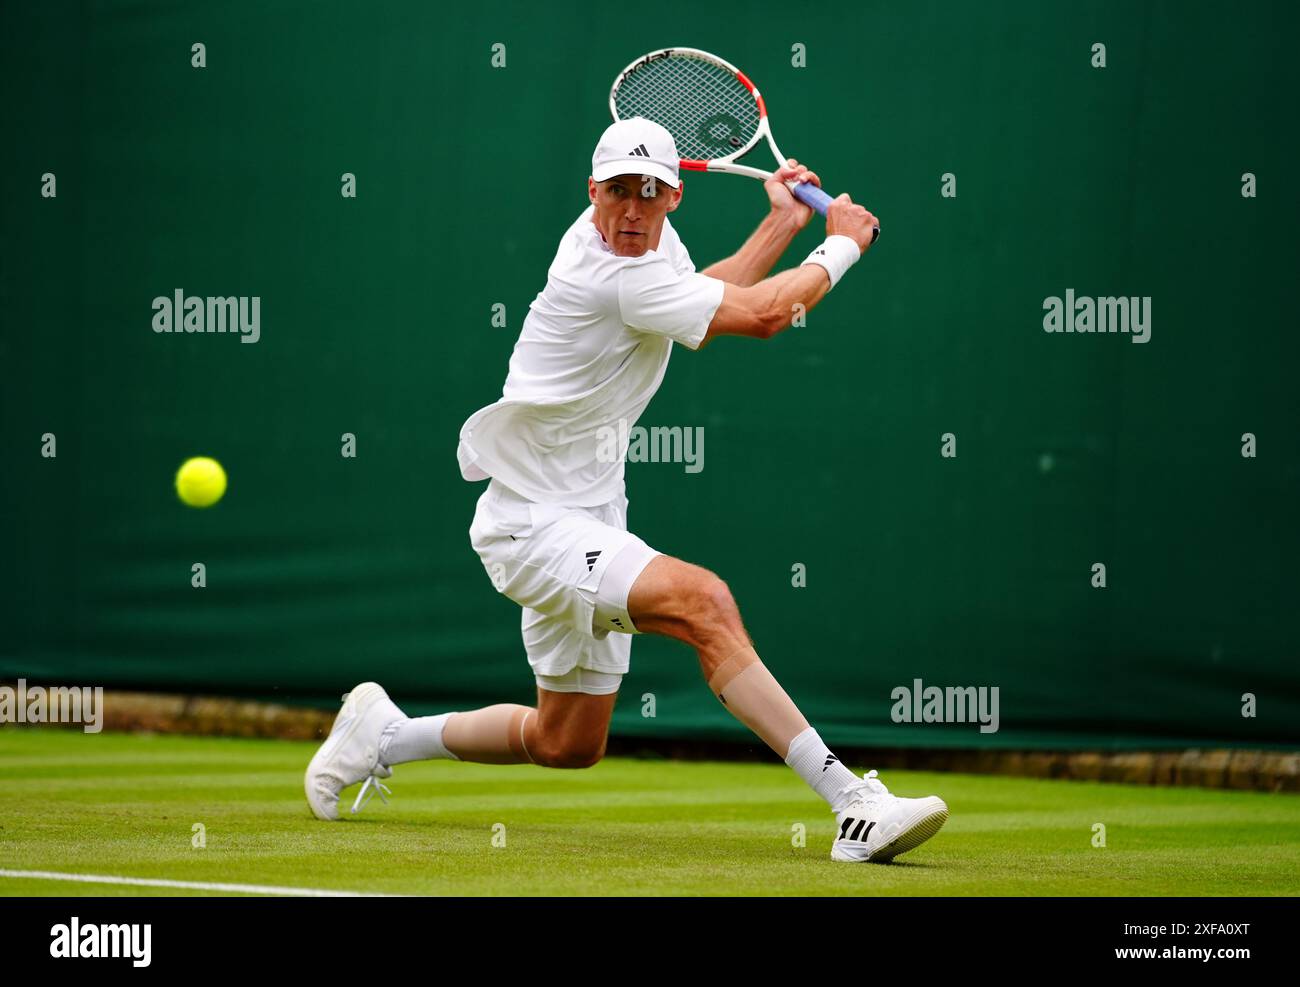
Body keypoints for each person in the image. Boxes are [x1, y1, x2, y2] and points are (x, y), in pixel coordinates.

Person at [306, 117, 948, 863]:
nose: (633, 210)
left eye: (650, 193)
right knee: (704, 602)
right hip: (532, 525)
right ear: (592, 192)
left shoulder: (648, 252)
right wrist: (841, 243)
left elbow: (697, 304)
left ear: (674, 196)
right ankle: (854, 802)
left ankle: (383, 733)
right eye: (618, 193)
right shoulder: (608, 272)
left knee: (567, 741)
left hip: (587, 514)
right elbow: (767, 315)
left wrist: (780, 224)